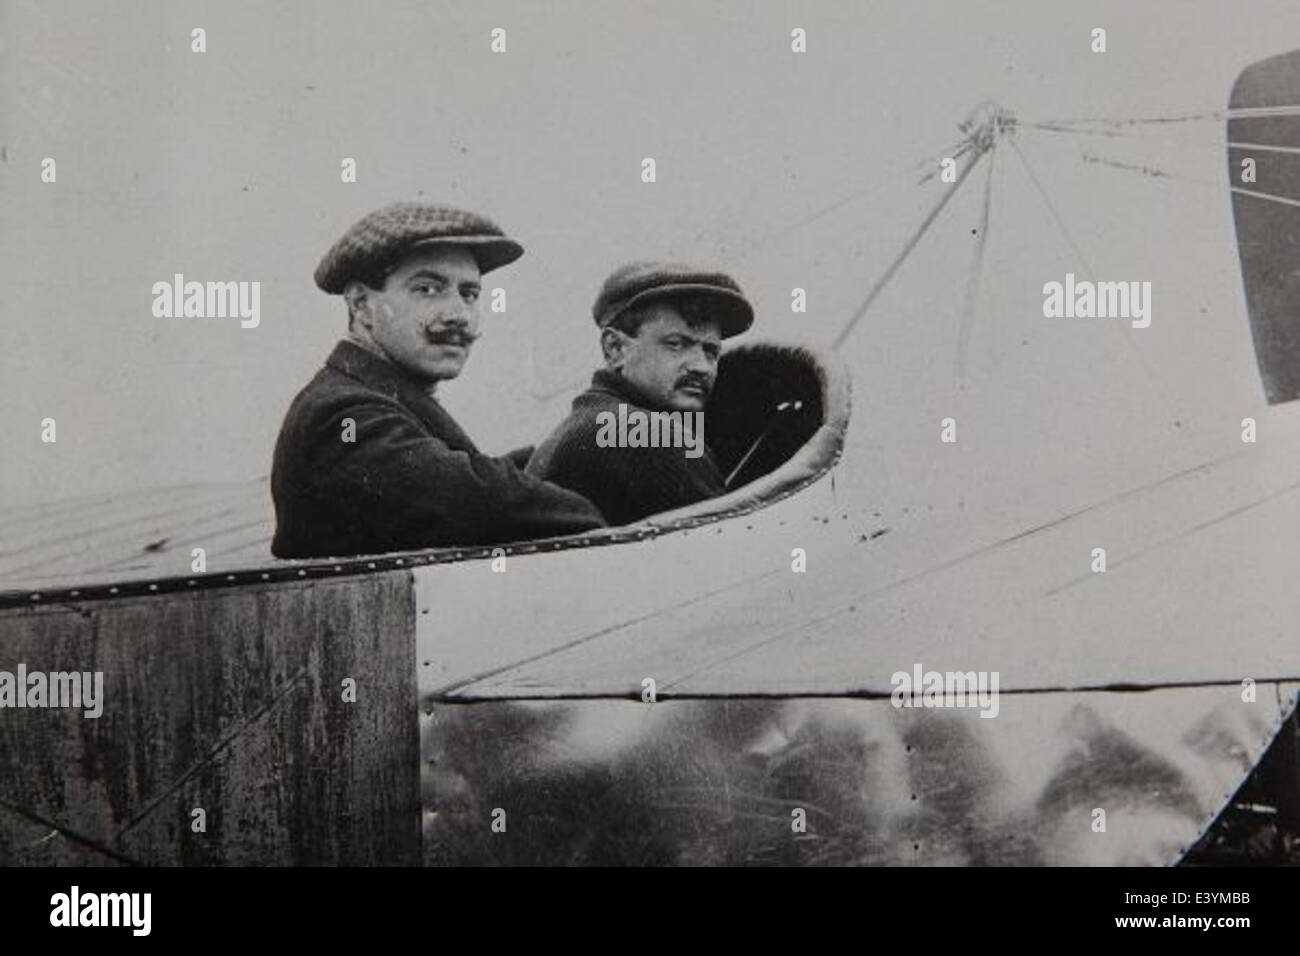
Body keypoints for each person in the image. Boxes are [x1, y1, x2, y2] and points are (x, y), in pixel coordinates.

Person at [270, 201, 605, 558]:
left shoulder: (375, 400)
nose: (459, 315)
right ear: (361, 305)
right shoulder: (346, 420)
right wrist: (601, 514)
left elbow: (471, 483)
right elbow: (480, 503)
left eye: (469, 294)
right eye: (428, 289)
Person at [527, 261, 754, 525]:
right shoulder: (650, 435)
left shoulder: (585, 424)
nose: (701, 367)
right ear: (615, 349)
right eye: (676, 344)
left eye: (711, 351)